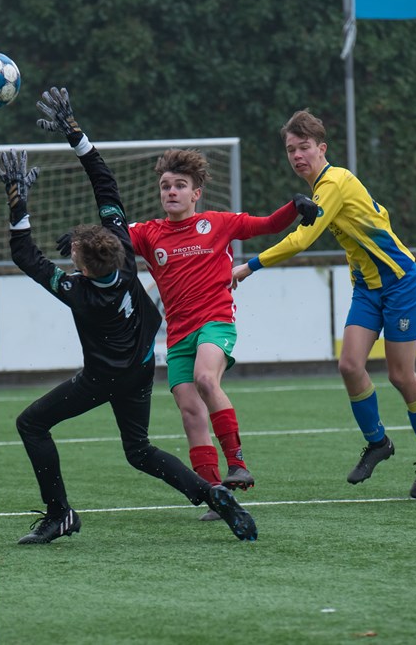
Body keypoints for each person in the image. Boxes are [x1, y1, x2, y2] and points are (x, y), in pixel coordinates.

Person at [0, 86, 257, 544]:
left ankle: (60, 514)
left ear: (79, 266)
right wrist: (77, 136)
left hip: (101, 379)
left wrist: (18, 205)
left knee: (31, 424)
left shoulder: (75, 291)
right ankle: (212, 493)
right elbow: (105, 183)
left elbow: (25, 254)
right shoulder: (124, 251)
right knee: (137, 451)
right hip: (140, 368)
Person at [232, 109, 416, 499]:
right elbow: (372, 219)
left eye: (304, 148)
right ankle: (378, 443)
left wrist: (248, 267)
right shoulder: (323, 188)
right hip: (368, 289)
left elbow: (302, 240)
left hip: (400, 284)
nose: (297, 156)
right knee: (349, 365)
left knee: (401, 377)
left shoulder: (333, 182)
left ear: (322, 149)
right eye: (290, 150)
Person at [125, 147, 318, 520]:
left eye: (180, 185)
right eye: (165, 186)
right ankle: (216, 494)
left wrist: (296, 206)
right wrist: (85, 238)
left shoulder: (219, 223)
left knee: (205, 380)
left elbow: (268, 225)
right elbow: (113, 240)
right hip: (178, 334)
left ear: (196, 193)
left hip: (215, 322)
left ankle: (237, 464)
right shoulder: (149, 234)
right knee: (189, 411)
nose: (171, 192)